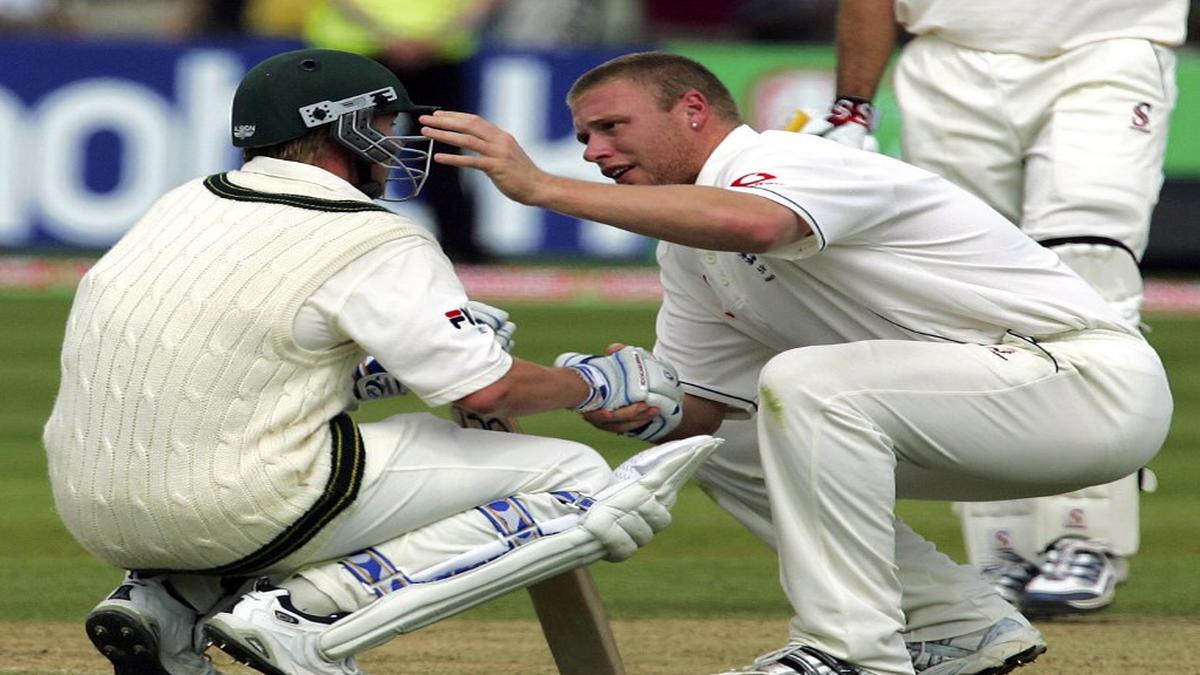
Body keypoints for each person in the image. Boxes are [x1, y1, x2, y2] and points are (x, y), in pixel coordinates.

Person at [420, 51, 1173, 675]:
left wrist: (543, 188)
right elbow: (701, 406)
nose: (593, 152)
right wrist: (587, 391)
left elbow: (761, 224)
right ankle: (955, 625)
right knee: (711, 443)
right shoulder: (687, 250)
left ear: (692, 109)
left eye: (611, 127)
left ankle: (851, 652)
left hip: (1082, 386)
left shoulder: (785, 158)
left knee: (806, 383)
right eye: (583, 138)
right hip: (978, 411)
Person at [42, 47, 719, 675]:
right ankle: (310, 612)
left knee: (304, 451)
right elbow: (487, 392)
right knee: (580, 479)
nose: (399, 141)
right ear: (346, 129)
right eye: (389, 123)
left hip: (90, 507)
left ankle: (168, 601)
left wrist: (380, 369)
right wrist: (594, 383)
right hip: (235, 505)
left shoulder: (182, 203)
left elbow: (229, 357)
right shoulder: (372, 235)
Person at [803, 0, 1188, 616]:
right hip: (948, 56)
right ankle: (1000, 542)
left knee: (1089, 267)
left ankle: (1085, 533)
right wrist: (852, 106)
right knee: (965, 298)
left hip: (1109, 44)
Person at [304, 0, 501, 263]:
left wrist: (391, 37)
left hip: (370, 48)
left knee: (439, 151)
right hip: (383, 50)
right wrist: (430, 39)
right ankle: (460, 244)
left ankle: (334, 239)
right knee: (436, 150)